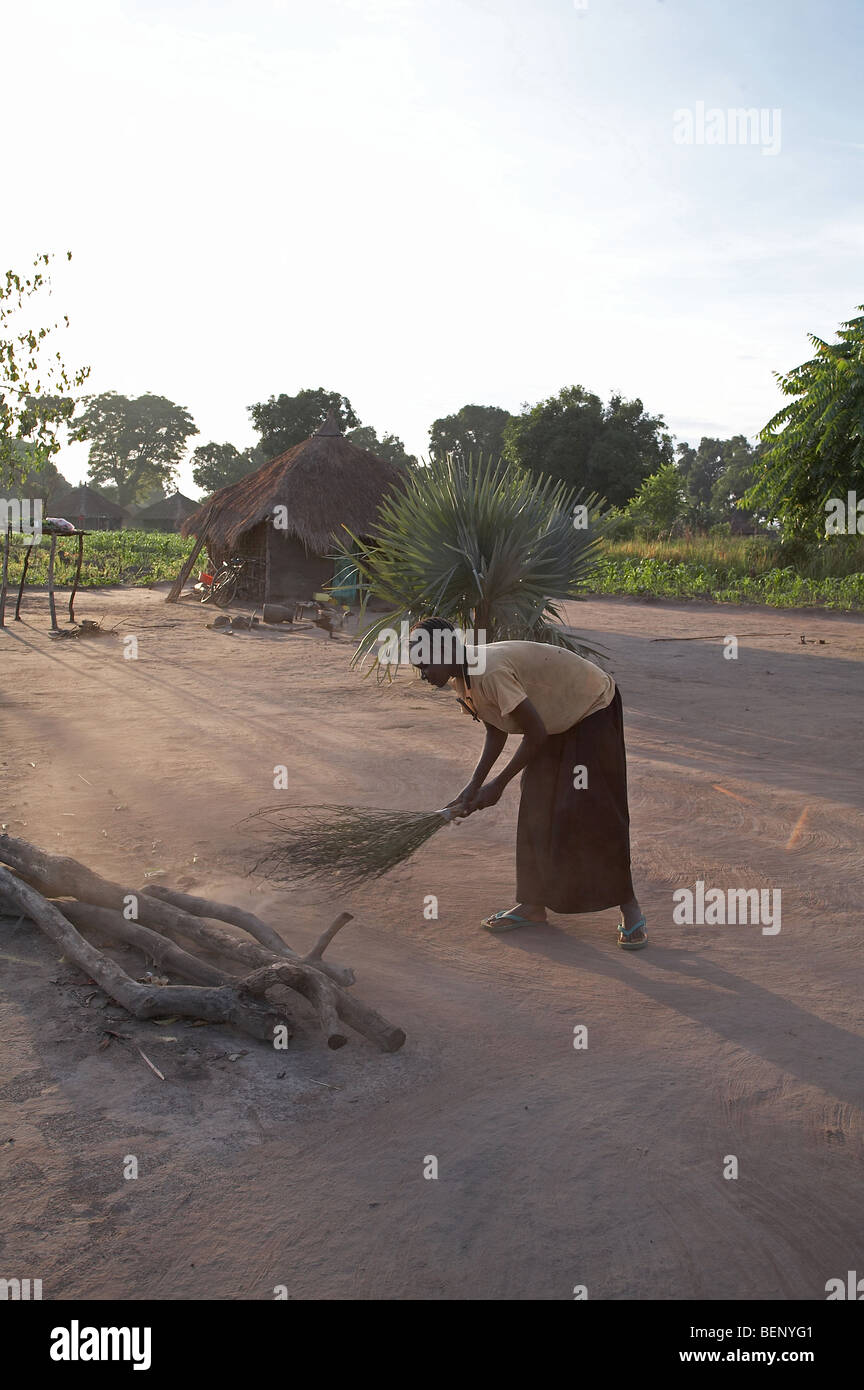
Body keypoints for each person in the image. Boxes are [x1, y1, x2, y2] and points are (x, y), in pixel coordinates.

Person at [408, 617, 646, 947]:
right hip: (552, 719)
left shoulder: (488, 671)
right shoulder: (460, 679)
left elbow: (534, 733)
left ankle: (630, 910)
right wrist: (473, 786)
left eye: (425, 664)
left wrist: (498, 784)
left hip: (591, 707)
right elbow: (497, 725)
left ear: (447, 650)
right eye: (418, 667)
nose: (423, 674)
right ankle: (533, 905)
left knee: (594, 808)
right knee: (537, 803)